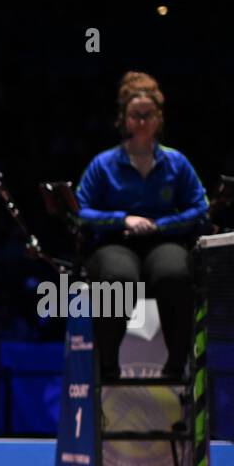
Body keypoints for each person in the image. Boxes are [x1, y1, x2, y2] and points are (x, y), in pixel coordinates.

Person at [76, 71, 208, 382]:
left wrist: (160, 225)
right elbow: (80, 212)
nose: (142, 121)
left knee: (175, 273)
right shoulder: (103, 164)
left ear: (159, 119)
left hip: (163, 241)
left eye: (148, 115)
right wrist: (122, 219)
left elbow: (201, 209)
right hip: (115, 242)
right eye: (135, 115)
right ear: (122, 120)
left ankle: (176, 366)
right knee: (117, 277)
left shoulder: (176, 163)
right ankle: (107, 366)